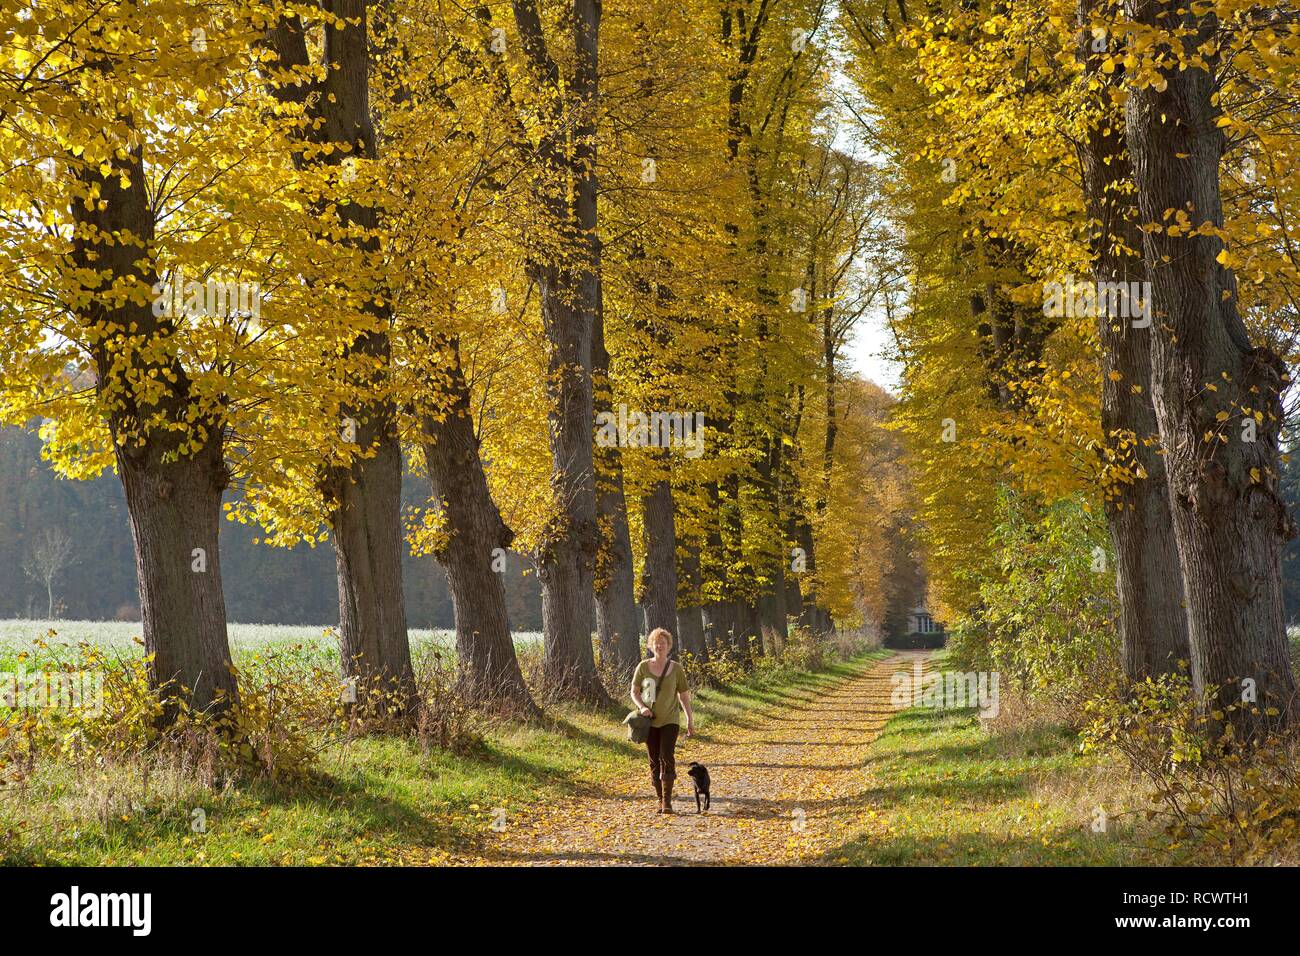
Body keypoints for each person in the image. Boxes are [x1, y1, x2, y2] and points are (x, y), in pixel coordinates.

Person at [630, 627, 695, 814]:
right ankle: (659, 798)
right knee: (653, 760)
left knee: (667, 756)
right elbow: (634, 692)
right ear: (651, 645)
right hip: (649, 720)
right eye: (656, 643)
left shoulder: (676, 669)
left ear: (669, 646)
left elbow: (683, 696)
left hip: (670, 719)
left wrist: (690, 719)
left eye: (663, 643)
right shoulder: (642, 667)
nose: (659, 646)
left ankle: (667, 801)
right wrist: (642, 707)